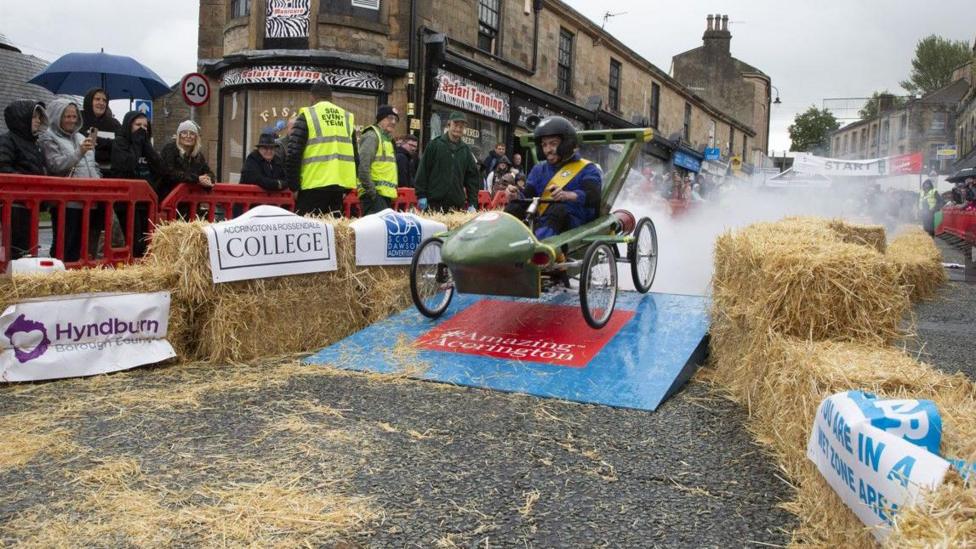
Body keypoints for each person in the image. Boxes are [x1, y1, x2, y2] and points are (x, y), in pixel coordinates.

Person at [503, 116, 602, 240]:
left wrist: (568, 195)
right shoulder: (539, 169)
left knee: (558, 209)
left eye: (553, 144)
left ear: (566, 144)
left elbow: (593, 196)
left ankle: (540, 249)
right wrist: (516, 195)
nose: (547, 150)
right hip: (542, 219)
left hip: (574, 223)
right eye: (544, 145)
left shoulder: (587, 168)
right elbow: (528, 196)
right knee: (514, 206)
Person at [39, 98, 101, 261]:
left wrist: (98, 182)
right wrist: (79, 152)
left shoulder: (81, 137)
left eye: (74, 116)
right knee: (65, 245)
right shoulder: (48, 138)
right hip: (65, 201)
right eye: (67, 116)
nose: (72, 120)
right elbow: (55, 165)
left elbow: (92, 165)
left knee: (82, 246)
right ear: (56, 116)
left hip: (88, 200)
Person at [286, 81, 358, 216]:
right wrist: (346, 190)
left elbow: (293, 153)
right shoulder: (347, 118)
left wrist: (294, 186)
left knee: (309, 232)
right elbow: (355, 157)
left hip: (312, 187)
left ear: (312, 97)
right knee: (331, 233)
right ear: (331, 97)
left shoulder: (308, 115)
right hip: (338, 189)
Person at [0, 100, 47, 259]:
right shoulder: (7, 140)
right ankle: (8, 278)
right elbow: (3, 167)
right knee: (12, 247)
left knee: (27, 247)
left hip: (29, 203)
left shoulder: (34, 144)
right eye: (34, 116)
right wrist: (26, 185)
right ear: (22, 117)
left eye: (39, 117)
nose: (38, 121)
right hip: (13, 205)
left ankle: (19, 277)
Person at [112, 111, 162, 257]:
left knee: (147, 242)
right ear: (129, 125)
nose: (142, 129)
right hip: (126, 203)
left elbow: (161, 168)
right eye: (138, 125)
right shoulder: (120, 142)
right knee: (134, 243)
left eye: (145, 126)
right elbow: (127, 165)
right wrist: (137, 143)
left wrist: (146, 145)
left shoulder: (146, 144)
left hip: (146, 202)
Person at [414, 111, 481, 212]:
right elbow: (423, 171)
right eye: (455, 125)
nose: (458, 129)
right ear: (449, 124)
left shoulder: (465, 150)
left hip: (455, 206)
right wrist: (421, 195)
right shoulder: (435, 145)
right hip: (433, 204)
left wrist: (473, 203)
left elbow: (472, 179)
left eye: (461, 127)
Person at [357, 105, 400, 215]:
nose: (394, 122)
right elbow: (362, 167)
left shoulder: (387, 139)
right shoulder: (372, 136)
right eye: (390, 118)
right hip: (374, 196)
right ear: (381, 119)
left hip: (384, 196)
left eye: (396, 119)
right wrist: (373, 193)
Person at [159, 120, 215, 200]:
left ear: (196, 137)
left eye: (192, 134)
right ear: (179, 135)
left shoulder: (198, 155)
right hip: (169, 199)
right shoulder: (170, 149)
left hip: (190, 202)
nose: (188, 136)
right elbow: (170, 173)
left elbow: (209, 172)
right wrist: (197, 179)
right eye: (184, 132)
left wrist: (208, 179)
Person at [80, 88, 122, 177]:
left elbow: (121, 143)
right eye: (97, 99)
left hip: (110, 172)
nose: (101, 103)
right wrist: (109, 144)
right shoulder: (79, 119)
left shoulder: (114, 123)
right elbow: (80, 138)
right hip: (84, 172)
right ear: (89, 101)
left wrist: (97, 141)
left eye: (104, 100)